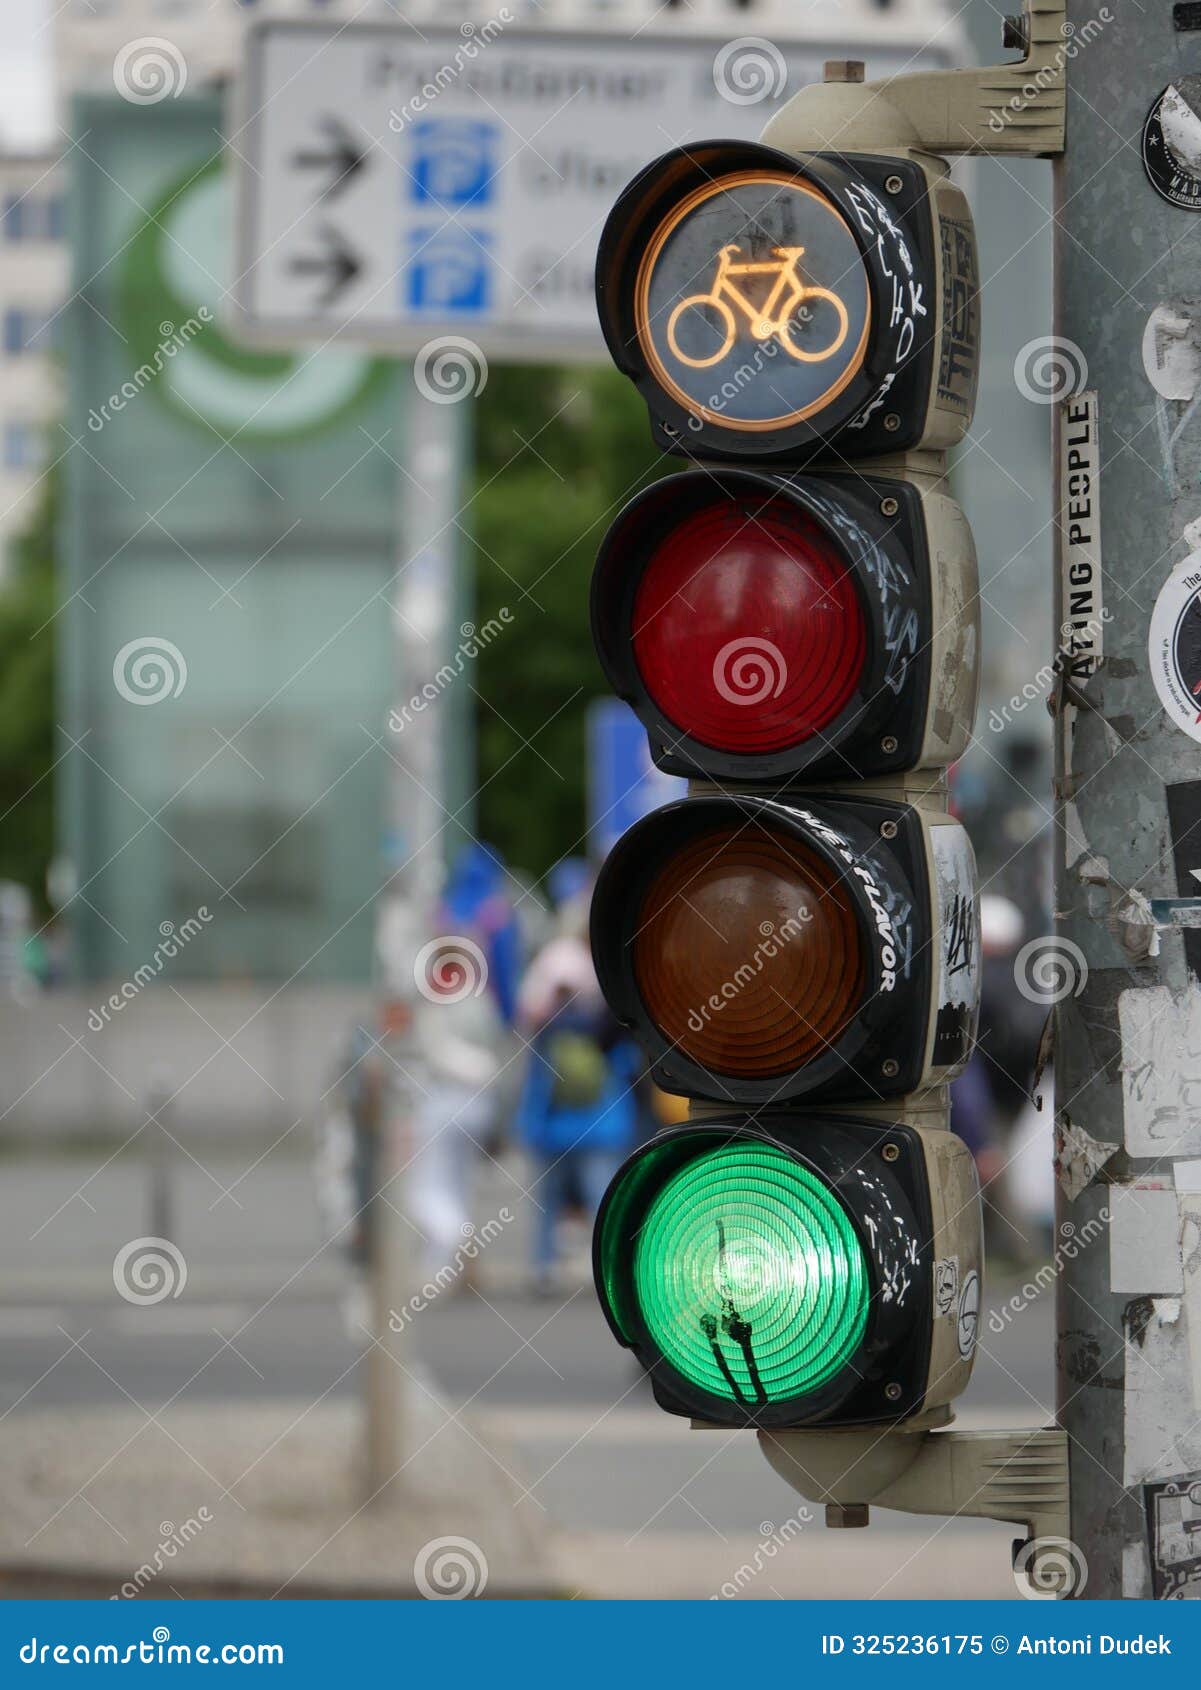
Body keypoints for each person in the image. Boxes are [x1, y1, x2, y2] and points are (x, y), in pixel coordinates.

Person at [515, 890, 638, 1293]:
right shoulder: (613, 991)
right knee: (603, 1194)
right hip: (602, 1118)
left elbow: (526, 1025)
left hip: (555, 1121)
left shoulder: (548, 1023)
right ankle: (609, 1269)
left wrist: (528, 1122)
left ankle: (542, 1267)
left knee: (548, 1198)